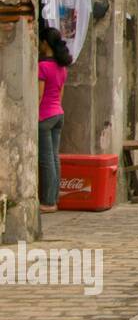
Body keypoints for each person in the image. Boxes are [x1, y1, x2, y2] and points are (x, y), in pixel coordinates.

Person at [37, 25, 73, 213]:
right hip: (58, 113)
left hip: (44, 117)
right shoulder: (62, 67)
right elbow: (60, 95)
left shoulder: (43, 67)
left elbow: (39, 97)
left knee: (46, 160)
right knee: (54, 158)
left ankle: (48, 202)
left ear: (45, 43)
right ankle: (54, 198)